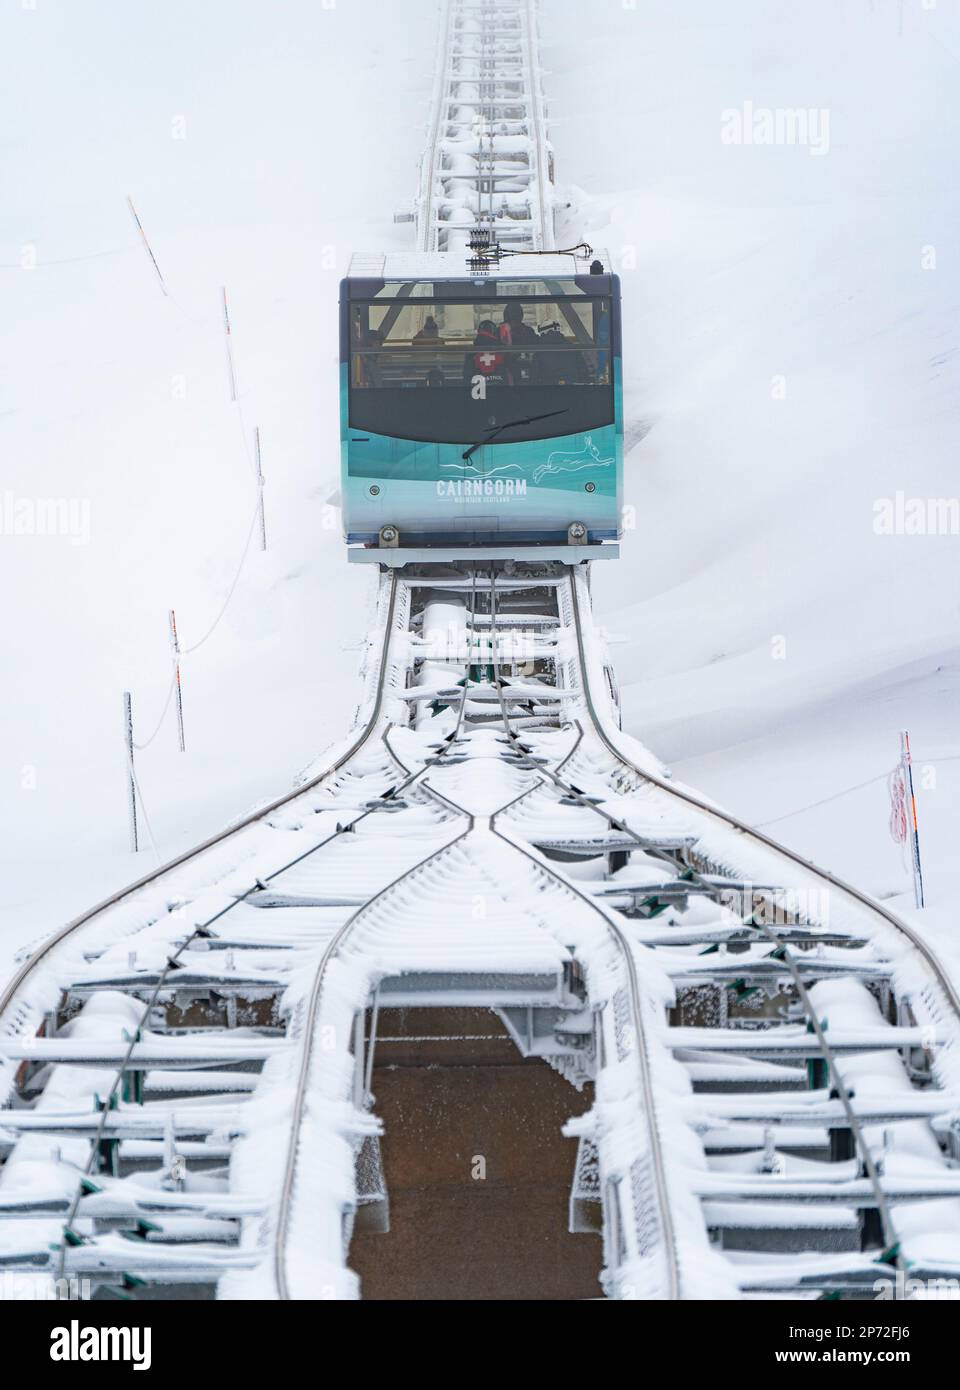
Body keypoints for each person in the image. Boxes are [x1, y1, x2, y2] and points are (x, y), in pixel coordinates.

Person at [464, 319, 511, 385]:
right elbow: (509, 373)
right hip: (500, 389)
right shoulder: (502, 350)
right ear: (494, 333)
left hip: (478, 392)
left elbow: (467, 377)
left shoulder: (471, 352)